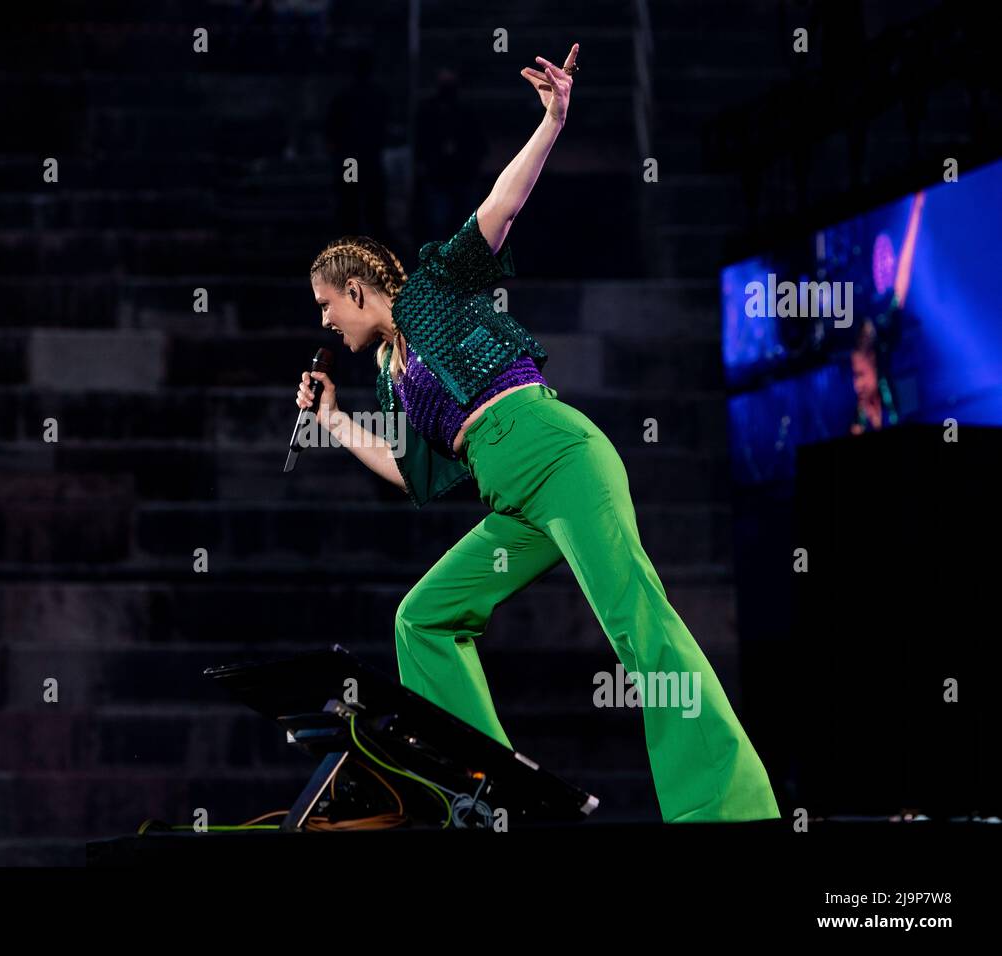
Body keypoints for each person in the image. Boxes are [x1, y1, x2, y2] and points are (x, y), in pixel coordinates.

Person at [298, 45, 779, 823]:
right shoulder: (393, 374)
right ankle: (488, 790)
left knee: (640, 630)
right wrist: (333, 421)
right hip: (512, 494)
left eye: (326, 306)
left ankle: (731, 812)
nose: (323, 323)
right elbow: (411, 473)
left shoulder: (432, 290)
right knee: (423, 616)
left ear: (356, 289)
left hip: (555, 452)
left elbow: (501, 206)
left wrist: (553, 119)